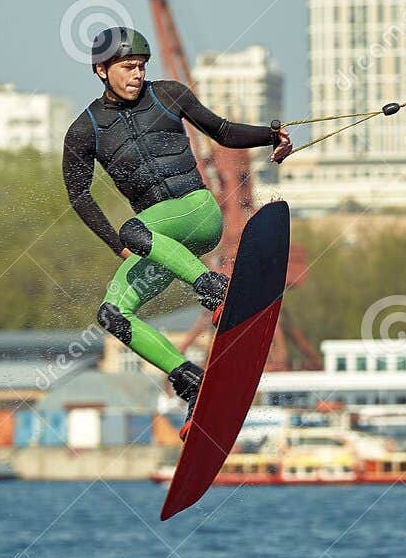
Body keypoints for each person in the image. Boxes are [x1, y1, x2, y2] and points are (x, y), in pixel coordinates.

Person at [62, 26, 292, 432]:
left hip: (197, 213)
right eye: (128, 67)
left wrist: (270, 136)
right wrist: (116, 245)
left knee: (135, 229)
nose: (137, 74)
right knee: (113, 314)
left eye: (142, 66)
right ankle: (190, 382)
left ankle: (214, 289)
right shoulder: (85, 131)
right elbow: (79, 195)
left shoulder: (168, 94)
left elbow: (222, 131)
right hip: (158, 241)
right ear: (101, 69)